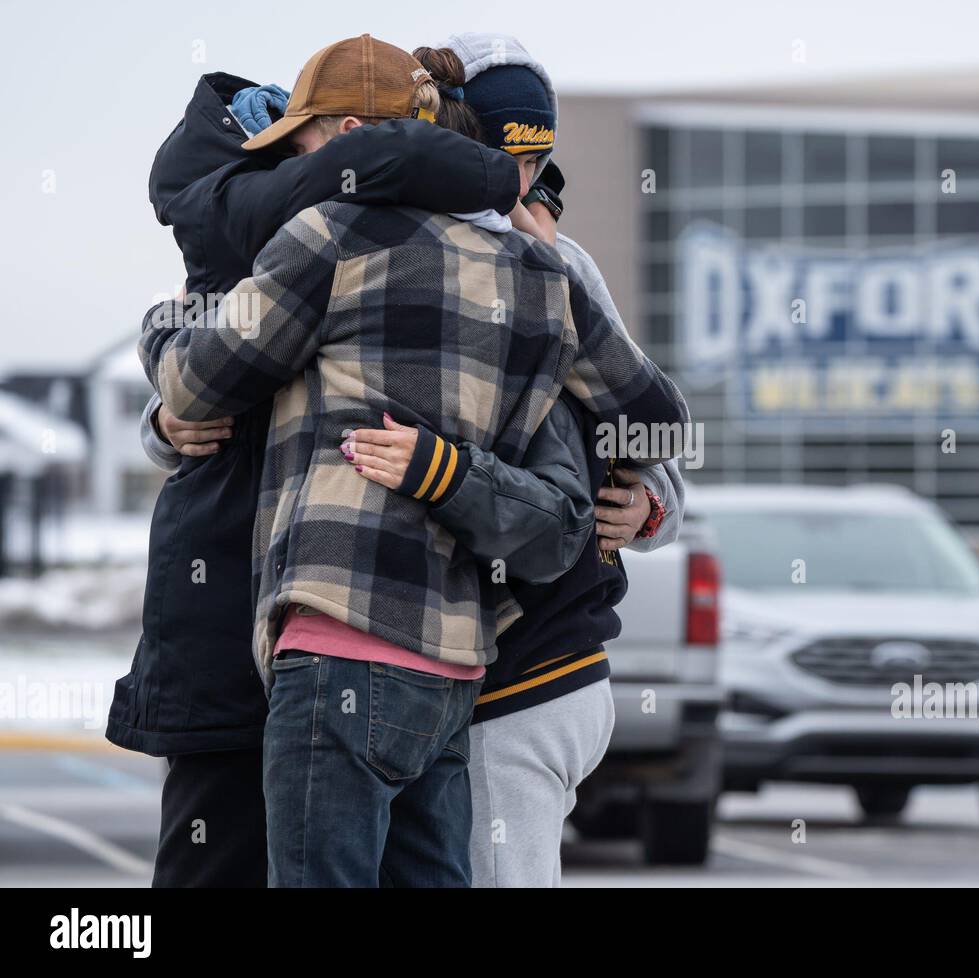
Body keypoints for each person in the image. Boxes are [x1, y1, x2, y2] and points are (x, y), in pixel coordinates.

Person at [140, 34, 689, 887]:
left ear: (353, 134)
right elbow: (659, 421)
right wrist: (647, 491)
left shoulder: (327, 236)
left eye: (301, 142)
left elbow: (197, 382)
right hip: (459, 663)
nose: (291, 165)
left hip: (342, 637)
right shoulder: (543, 268)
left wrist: (166, 329)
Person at [109, 48, 522, 887]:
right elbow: (391, 159)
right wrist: (165, 405)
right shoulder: (255, 205)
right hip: (236, 607)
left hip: (348, 627)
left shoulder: (413, 242)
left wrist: (650, 489)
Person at [343, 34, 689, 887]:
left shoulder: (561, 262)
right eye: (505, 156)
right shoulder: (370, 240)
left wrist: (651, 502)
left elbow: (659, 420)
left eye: (540, 159)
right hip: (423, 658)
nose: (522, 181)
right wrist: (167, 422)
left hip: (533, 666)